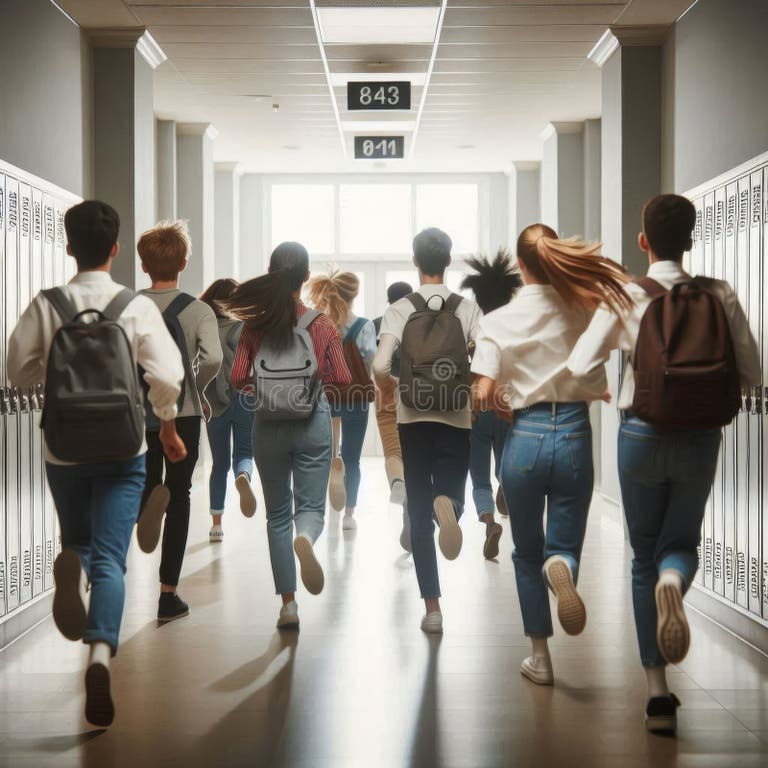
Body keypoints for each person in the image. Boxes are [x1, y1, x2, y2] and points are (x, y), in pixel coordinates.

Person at [568, 194, 761, 734]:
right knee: (681, 543)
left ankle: (657, 695)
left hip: (640, 433)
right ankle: (675, 582)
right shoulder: (719, 294)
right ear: (693, 238)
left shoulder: (625, 295)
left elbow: (581, 362)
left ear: (643, 240)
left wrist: (611, 384)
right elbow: (753, 372)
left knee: (641, 556)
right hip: (701, 437)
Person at [7, 200, 186, 727]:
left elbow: (18, 370)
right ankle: (100, 654)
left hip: (63, 447)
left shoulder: (48, 303)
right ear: (114, 249)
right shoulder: (133, 305)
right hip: (123, 448)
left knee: (79, 540)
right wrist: (168, 423)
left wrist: (53, 375)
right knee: (112, 557)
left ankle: (70, 562)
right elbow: (169, 377)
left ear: (67, 246)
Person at [471, 223, 631, 686]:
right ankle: (563, 568)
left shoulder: (498, 319)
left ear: (520, 267)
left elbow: (482, 391)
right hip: (576, 433)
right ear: (556, 255)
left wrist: (499, 399)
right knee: (561, 545)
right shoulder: (585, 305)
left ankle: (540, 659)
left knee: (525, 552)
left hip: (525, 435)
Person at [225, 242, 351, 630]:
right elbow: (344, 378)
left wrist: (266, 391)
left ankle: (288, 605)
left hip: (268, 426)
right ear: (306, 277)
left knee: (277, 515)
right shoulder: (322, 324)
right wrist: (312, 386)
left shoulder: (253, 325)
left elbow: (236, 377)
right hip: (312, 422)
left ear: (271, 272)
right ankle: (308, 541)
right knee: (309, 509)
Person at [373, 228, 482, 634]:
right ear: (449, 261)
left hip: (412, 416)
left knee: (416, 511)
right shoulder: (467, 309)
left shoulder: (400, 308)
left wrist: (394, 391)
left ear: (415, 262)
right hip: (456, 414)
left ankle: (432, 608)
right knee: (454, 490)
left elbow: (381, 365)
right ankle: (450, 508)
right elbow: (488, 354)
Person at [135, 221, 223, 623]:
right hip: (183, 413)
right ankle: (168, 595)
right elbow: (216, 359)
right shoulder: (198, 309)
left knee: (144, 480)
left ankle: (147, 501)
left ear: (143, 264)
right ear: (184, 263)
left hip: (138, 414)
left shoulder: (128, 306)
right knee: (181, 493)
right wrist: (195, 386)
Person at [460, 250, 522, 559]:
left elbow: (470, 376)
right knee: (507, 468)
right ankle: (505, 487)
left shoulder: (477, 331)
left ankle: (488, 520)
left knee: (478, 477)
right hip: (511, 411)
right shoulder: (518, 329)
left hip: (480, 411)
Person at [307, 270, 376, 530]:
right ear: (354, 295)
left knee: (326, 453)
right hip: (356, 397)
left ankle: (323, 499)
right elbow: (370, 359)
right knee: (353, 459)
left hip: (326, 395)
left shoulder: (318, 324)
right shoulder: (364, 326)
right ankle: (349, 515)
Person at [199, 278, 257, 542]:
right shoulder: (244, 328)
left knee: (218, 463)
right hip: (245, 398)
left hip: (214, 402)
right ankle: (243, 476)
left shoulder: (205, 329)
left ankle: (216, 524)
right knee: (244, 452)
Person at [373, 280, 413, 549]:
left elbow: (372, 360)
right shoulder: (421, 322)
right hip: (417, 391)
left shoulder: (377, 324)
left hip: (386, 390)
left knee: (392, 451)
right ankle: (415, 513)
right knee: (417, 454)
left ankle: (397, 481)